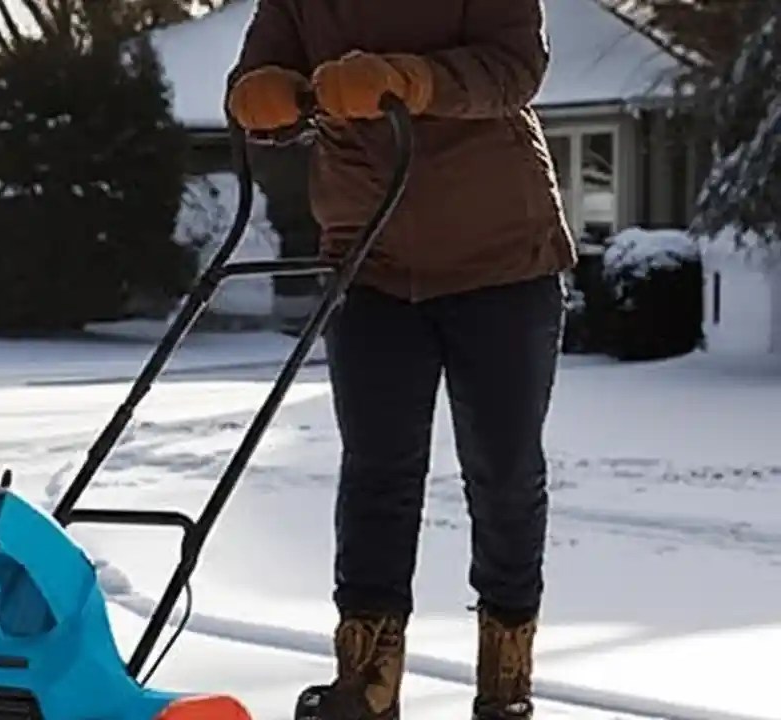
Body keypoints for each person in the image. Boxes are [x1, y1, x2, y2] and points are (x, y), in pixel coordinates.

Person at [224, 1, 575, 718]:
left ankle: (505, 675)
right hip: (369, 258)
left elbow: (515, 66)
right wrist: (262, 96)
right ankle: (366, 677)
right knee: (376, 471)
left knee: (503, 472)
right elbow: (262, 70)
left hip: (501, 256)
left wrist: (410, 80)